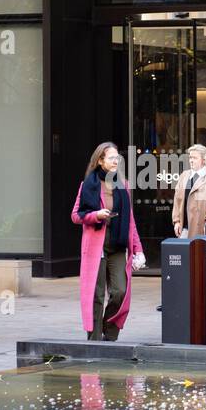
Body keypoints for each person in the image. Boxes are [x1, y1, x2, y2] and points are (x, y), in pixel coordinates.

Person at [72, 142, 145, 341]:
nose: (115, 161)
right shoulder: (88, 185)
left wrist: (138, 249)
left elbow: (130, 221)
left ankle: (109, 332)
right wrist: (96, 215)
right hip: (96, 249)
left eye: (116, 157)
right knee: (96, 296)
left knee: (120, 292)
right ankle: (94, 341)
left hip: (118, 247)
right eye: (111, 158)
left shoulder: (124, 185)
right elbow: (76, 215)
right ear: (100, 161)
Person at [171, 143, 206, 238]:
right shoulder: (184, 176)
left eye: (195, 158)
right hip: (184, 228)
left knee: (199, 252)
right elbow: (177, 199)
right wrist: (176, 221)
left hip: (201, 229)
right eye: (190, 157)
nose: (191, 160)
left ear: (204, 160)